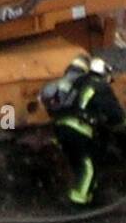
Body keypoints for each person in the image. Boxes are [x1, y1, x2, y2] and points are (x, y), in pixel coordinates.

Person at [41, 56, 100, 205]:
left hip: (59, 128)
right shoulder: (84, 84)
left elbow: (46, 95)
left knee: (75, 162)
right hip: (77, 128)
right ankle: (78, 202)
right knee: (87, 166)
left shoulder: (59, 82)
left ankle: (80, 195)